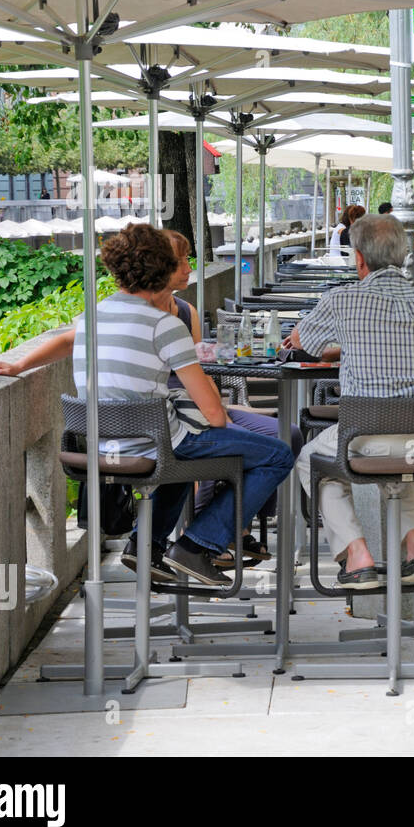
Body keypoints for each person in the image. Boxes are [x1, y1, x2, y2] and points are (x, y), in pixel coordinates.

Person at [85, 225, 293, 585]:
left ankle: (146, 544)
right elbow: (213, 413)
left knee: (184, 451)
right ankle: (198, 545)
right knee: (277, 453)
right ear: (163, 268)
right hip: (156, 445)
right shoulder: (165, 325)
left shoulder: (90, 317)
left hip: (103, 448)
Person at [287, 215, 414, 590]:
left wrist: (335, 348)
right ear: (404, 255)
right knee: (400, 456)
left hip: (371, 432)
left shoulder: (343, 299)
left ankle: (357, 556)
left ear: (359, 259)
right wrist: (352, 347)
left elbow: (302, 341)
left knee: (313, 460)